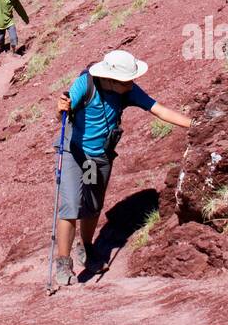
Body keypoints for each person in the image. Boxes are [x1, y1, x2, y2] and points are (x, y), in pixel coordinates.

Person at [53, 49, 191, 286]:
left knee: (92, 205)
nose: (132, 83)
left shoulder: (128, 90)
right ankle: (63, 263)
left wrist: (195, 125)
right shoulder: (85, 85)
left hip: (98, 158)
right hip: (75, 154)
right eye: (127, 80)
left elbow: (159, 110)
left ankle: (86, 246)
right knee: (70, 206)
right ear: (109, 79)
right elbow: (63, 113)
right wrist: (60, 109)